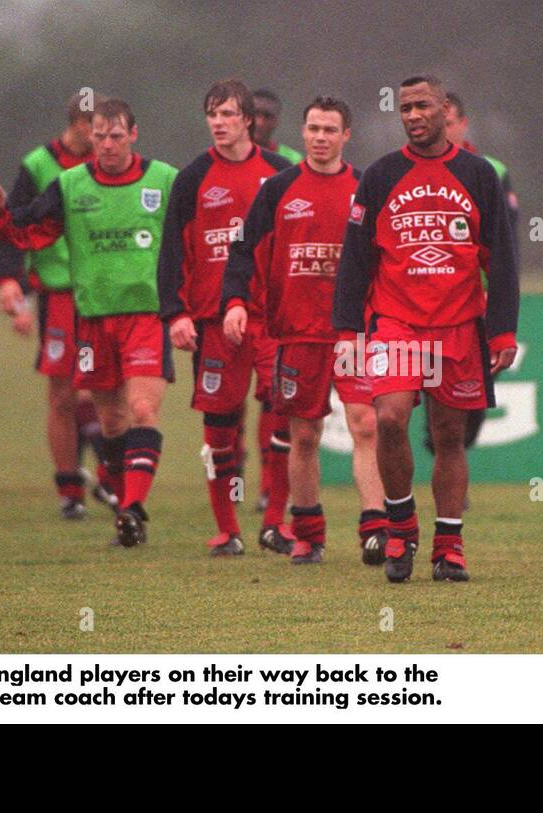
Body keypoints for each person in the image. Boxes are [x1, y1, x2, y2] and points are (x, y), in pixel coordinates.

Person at [332, 75, 519, 583]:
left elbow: (502, 258)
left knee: (449, 435)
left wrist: (502, 331)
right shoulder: (380, 175)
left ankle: (449, 545)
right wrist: (348, 328)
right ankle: (401, 525)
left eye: (423, 106)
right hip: (397, 323)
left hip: (459, 323)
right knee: (389, 419)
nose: (413, 115)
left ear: (445, 110)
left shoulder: (479, 174)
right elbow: (356, 258)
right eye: (405, 108)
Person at [0, 97, 178, 548]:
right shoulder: (69, 185)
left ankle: (132, 508)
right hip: (92, 319)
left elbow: (192, 238)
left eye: (116, 136)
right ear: (89, 135)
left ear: (133, 135)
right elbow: (30, 230)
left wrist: (188, 307)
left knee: (143, 410)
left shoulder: (165, 180)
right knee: (110, 421)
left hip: (146, 315)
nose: (106, 144)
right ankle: (122, 508)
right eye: (99, 136)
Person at [221, 96, 388, 565]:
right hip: (295, 332)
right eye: (313, 128)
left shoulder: (366, 189)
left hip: (352, 331)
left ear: (345, 136)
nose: (319, 137)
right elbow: (242, 249)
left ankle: (374, 530)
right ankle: (308, 533)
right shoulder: (277, 189)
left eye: (329, 130)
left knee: (367, 424)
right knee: (305, 436)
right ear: (303, 132)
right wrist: (234, 302)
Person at [159, 78, 293, 557]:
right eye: (212, 115)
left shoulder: (280, 174)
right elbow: (172, 249)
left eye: (227, 115)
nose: (218, 123)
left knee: (282, 417)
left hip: (272, 319)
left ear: (249, 120)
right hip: (213, 320)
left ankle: (275, 522)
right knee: (220, 427)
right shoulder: (193, 177)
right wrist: (175, 313)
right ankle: (226, 529)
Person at [0, 93, 114, 520]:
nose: (103, 141)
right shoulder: (38, 166)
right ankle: (70, 488)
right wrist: (10, 282)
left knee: (102, 387)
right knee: (63, 393)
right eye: (96, 132)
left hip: (104, 293)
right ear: (80, 126)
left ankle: (110, 474)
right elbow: (14, 225)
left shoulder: (109, 167)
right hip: (60, 296)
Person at [423, 91, 523, 460]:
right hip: (430, 296)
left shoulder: (491, 171)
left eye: (448, 124)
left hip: (478, 299)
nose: (441, 131)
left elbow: (507, 239)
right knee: (433, 383)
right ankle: (444, 451)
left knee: (478, 384)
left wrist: (501, 290)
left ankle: (455, 447)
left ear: (462, 124)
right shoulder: (415, 168)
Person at [252, 89, 304, 165]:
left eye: (267, 116)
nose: (260, 123)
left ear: (276, 121)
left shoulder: (292, 160)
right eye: (255, 114)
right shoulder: (230, 156)